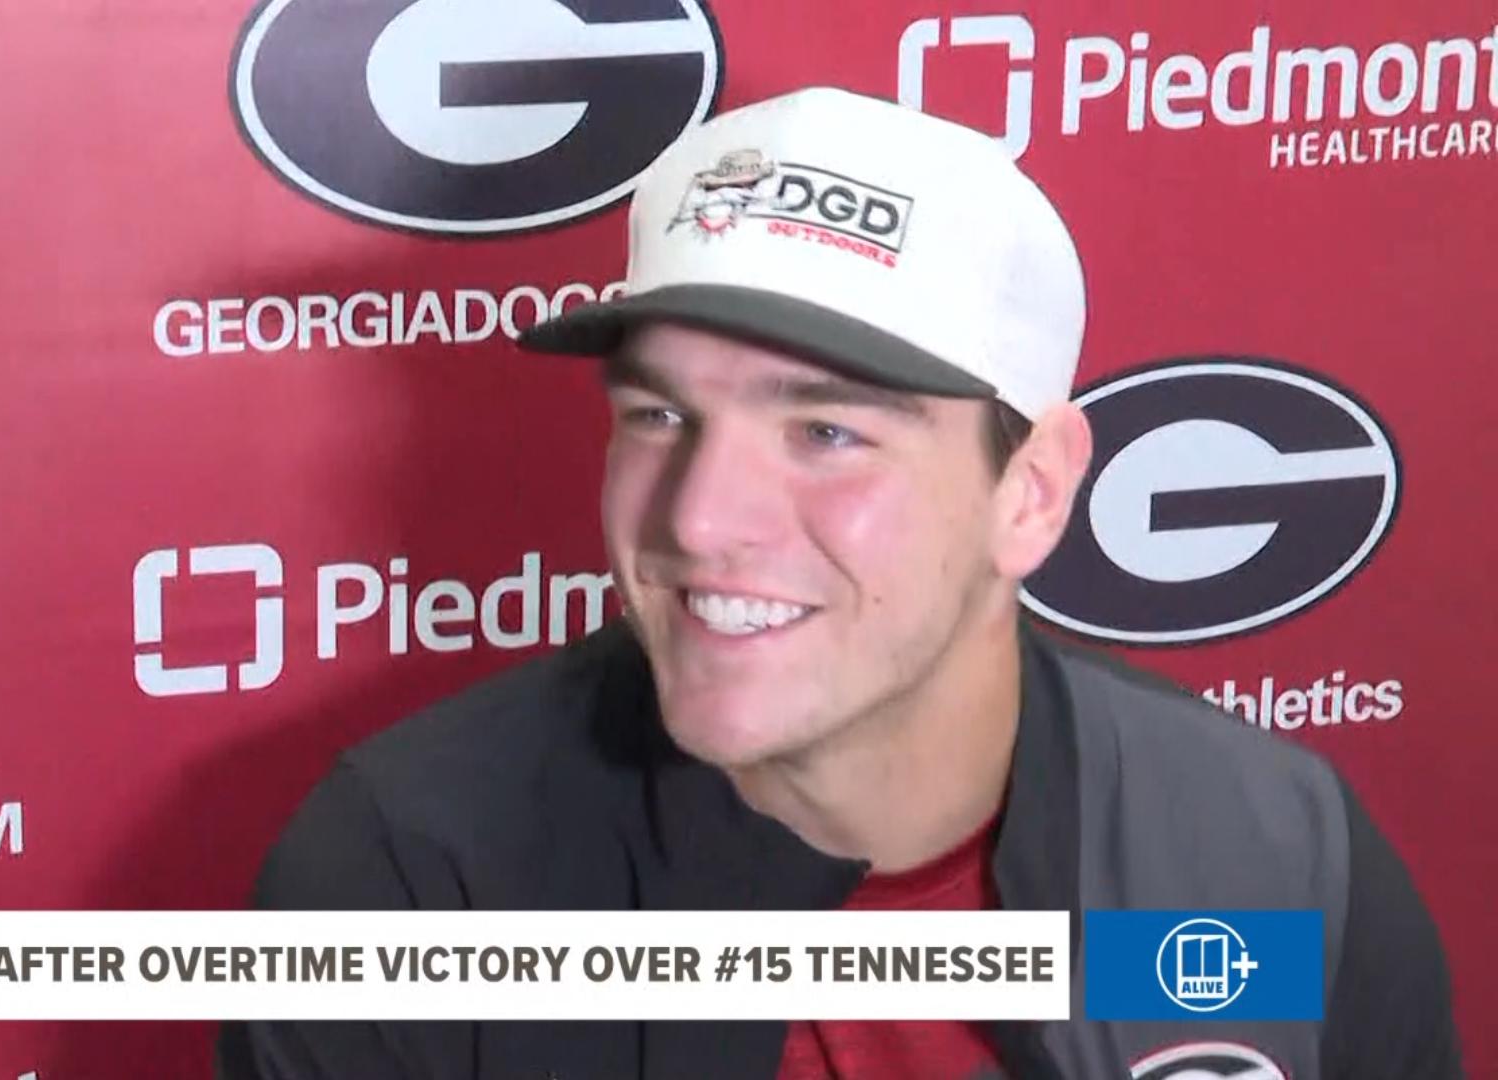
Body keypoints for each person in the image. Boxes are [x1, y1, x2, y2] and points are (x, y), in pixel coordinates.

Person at [218, 87, 1461, 1079]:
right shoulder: (419, 886)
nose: (699, 520)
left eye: (827, 433)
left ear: (1029, 491)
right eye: (657, 413)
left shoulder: (1272, 855)